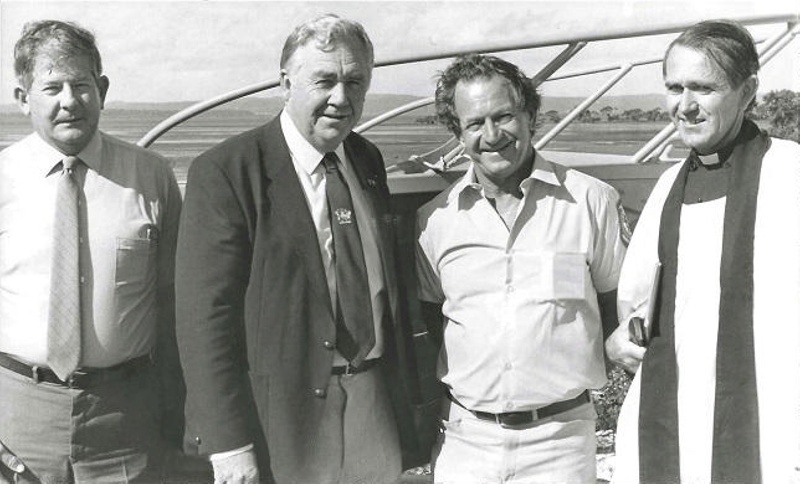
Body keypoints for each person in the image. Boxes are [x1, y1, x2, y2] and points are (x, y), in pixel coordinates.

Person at [175, 13, 422, 484]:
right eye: (324, 80)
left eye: (355, 82)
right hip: (280, 420)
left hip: (372, 401)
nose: (341, 98)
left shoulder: (366, 160)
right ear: (286, 83)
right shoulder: (228, 172)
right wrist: (229, 444)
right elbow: (202, 321)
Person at [415, 53, 628, 483]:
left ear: (531, 115)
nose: (491, 135)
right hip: (465, 440)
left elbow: (617, 311)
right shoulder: (435, 220)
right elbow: (431, 322)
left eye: (504, 116)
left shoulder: (591, 202)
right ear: (457, 131)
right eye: (474, 123)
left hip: (561, 441)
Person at [607, 19, 800, 483]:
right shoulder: (668, 185)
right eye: (675, 87)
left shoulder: (790, 175)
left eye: (704, 88)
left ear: (748, 90)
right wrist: (621, 340)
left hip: (770, 422)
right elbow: (638, 304)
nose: (685, 106)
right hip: (672, 417)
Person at [0, 20, 184, 483]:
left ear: (101, 89)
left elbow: (174, 303)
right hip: (17, 418)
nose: (69, 101)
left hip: (125, 419)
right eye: (52, 87)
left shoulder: (152, 178)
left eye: (81, 85)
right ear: (23, 99)